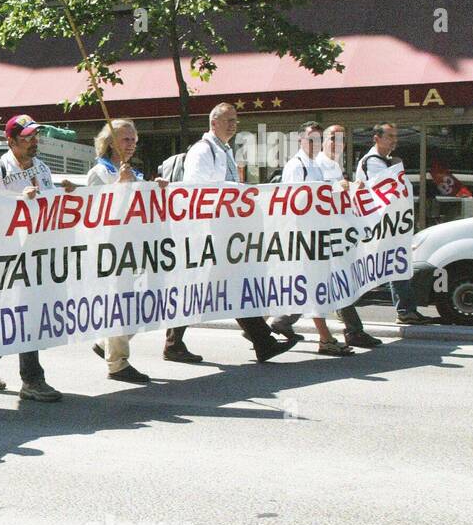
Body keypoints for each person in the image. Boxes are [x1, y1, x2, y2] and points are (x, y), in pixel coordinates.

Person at [169, 103, 297, 364]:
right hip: (210, 233)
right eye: (227, 120)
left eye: (235, 121)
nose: (233, 125)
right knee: (222, 287)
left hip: (225, 230)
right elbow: (196, 193)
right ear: (213, 123)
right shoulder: (203, 151)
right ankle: (263, 341)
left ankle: (175, 343)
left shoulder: (223, 151)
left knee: (215, 288)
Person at [0, 114, 64, 401]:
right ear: (10, 141)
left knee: (18, 313)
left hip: (36, 250)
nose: (33, 142)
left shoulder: (42, 167)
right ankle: (32, 379)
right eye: (27, 138)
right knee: (24, 313)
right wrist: (17, 200)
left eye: (35, 137)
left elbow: (51, 204)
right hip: (7, 254)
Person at [267, 122, 354, 356]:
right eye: (311, 139)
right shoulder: (296, 167)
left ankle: (260, 325)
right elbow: (292, 203)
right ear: (301, 141)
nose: (315, 144)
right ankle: (325, 338)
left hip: (316, 234)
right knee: (314, 286)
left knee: (305, 287)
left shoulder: (314, 166)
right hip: (303, 238)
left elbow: (321, 195)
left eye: (318, 139)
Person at [86, 118, 153, 383]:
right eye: (126, 139)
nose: (131, 145)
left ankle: (106, 344)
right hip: (112, 249)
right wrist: (121, 186)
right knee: (121, 304)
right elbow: (97, 214)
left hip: (134, 245)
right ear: (111, 141)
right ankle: (118, 363)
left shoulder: (131, 172)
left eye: (134, 140)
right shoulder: (99, 173)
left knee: (141, 305)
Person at [354, 122, 431, 325]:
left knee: (394, 263)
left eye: (395, 137)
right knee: (383, 264)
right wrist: (397, 166)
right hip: (379, 224)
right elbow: (387, 189)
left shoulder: (385, 160)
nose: (394, 141)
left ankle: (405, 309)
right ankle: (346, 305)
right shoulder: (372, 161)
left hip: (390, 223)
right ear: (376, 138)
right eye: (389, 136)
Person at [318, 124, 381, 348]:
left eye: (342, 140)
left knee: (336, 281)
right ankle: (354, 331)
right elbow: (314, 192)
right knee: (336, 281)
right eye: (333, 138)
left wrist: (354, 186)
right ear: (323, 141)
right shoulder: (318, 164)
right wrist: (337, 186)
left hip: (339, 231)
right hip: (324, 233)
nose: (338, 144)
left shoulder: (334, 165)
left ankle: (281, 321)